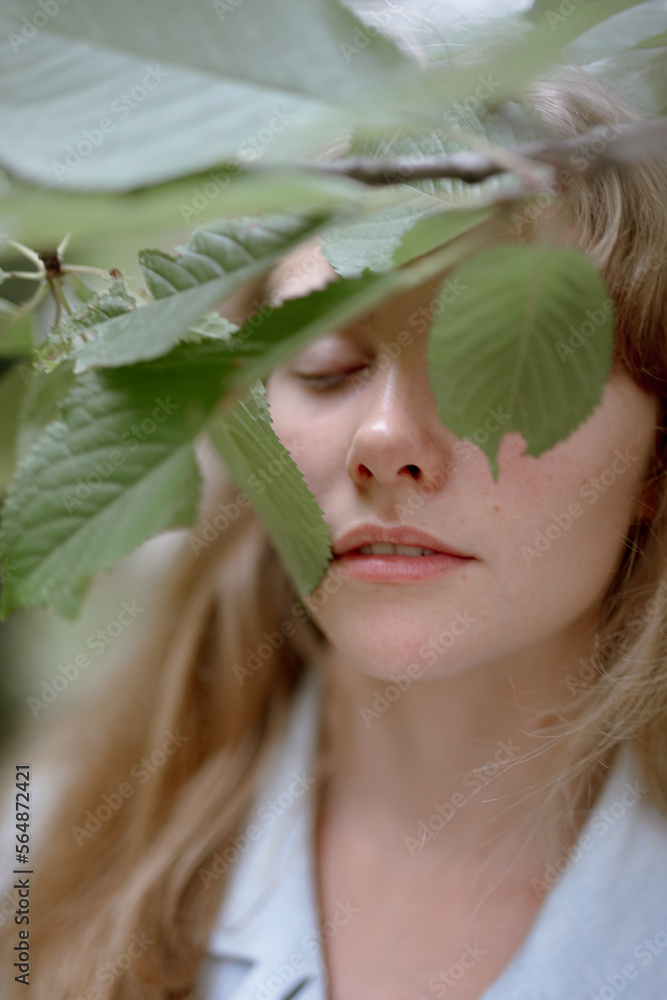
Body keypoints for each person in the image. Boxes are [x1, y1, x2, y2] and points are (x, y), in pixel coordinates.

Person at [1, 64, 667, 1000]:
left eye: (494, 370)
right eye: (324, 365)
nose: (386, 439)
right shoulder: (41, 853)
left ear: (654, 460)